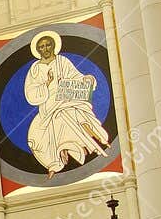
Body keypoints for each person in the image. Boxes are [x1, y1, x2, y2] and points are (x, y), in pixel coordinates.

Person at [24, 31, 109, 174]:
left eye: (48, 45)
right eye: (42, 46)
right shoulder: (35, 69)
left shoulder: (62, 61)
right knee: (41, 134)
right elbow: (30, 92)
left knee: (75, 112)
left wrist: (86, 79)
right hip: (48, 105)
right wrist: (47, 84)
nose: (45, 49)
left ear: (53, 46)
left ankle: (97, 139)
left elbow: (75, 76)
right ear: (38, 50)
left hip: (66, 98)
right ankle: (57, 159)